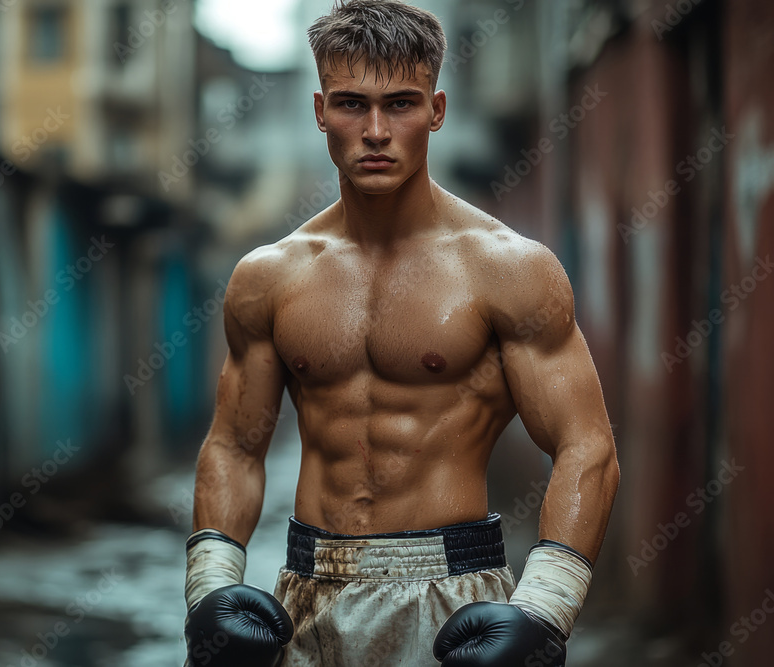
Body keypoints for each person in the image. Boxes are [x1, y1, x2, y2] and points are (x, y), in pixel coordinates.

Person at [182, 1, 620, 665]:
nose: (377, 130)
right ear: (320, 110)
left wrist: (545, 609)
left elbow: (586, 445)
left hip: (455, 598)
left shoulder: (507, 269)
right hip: (309, 596)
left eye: (402, 104)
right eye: (352, 103)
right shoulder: (268, 277)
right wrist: (210, 586)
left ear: (437, 111)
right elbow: (235, 445)